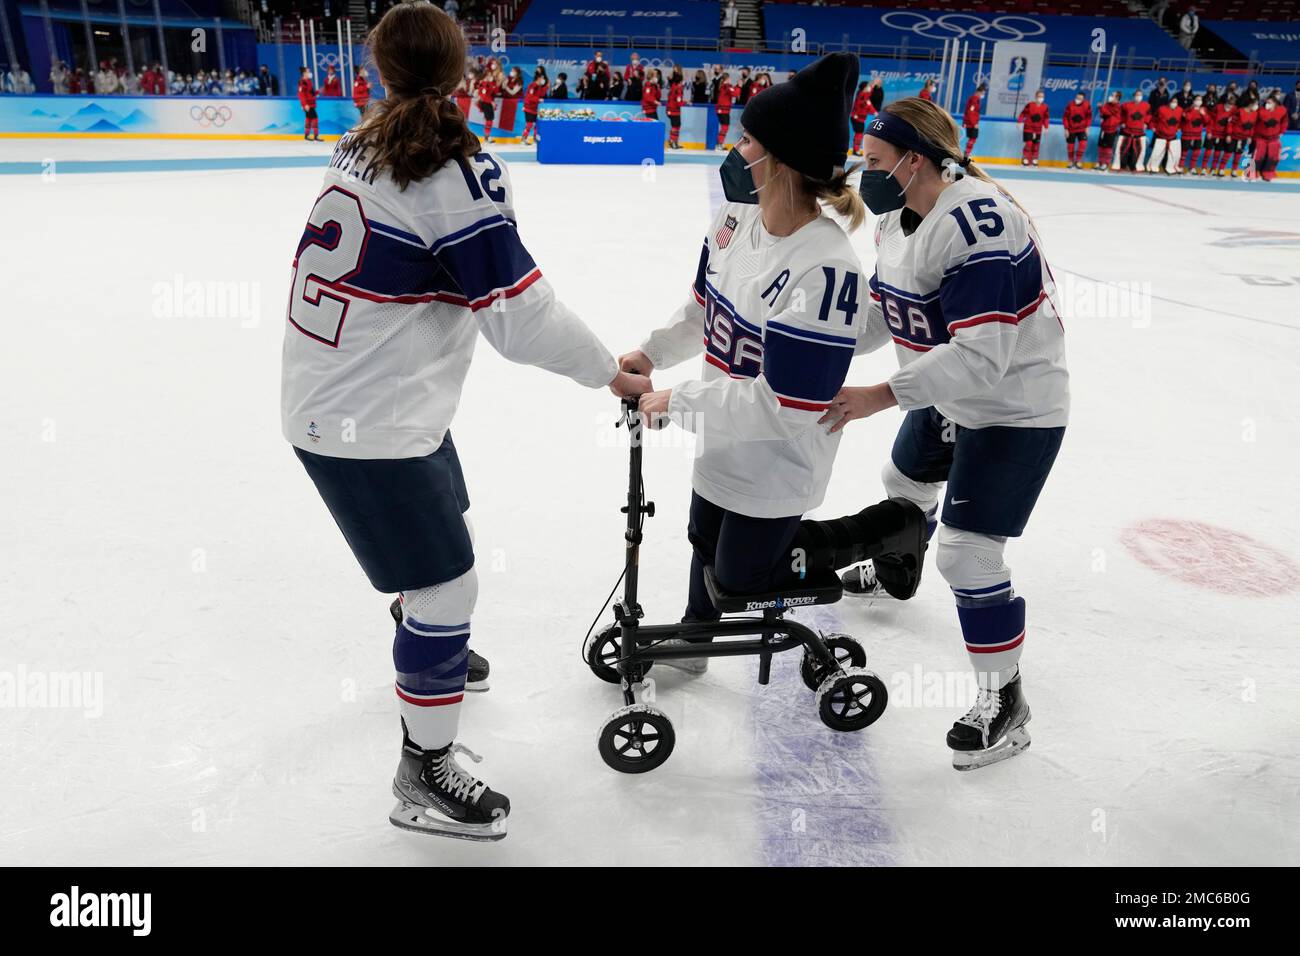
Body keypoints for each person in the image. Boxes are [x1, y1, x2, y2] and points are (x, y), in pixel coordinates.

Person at [282, 2, 649, 842]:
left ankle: (428, 644)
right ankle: (423, 769)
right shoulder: (454, 167)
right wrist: (609, 373)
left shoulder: (364, 141)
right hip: (367, 416)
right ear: (467, 72)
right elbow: (519, 319)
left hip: (357, 393)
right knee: (451, 583)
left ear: (380, 72)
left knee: (448, 522)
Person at [823, 96, 1068, 771]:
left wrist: (878, 395)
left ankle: (1005, 702)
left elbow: (983, 355)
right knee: (903, 480)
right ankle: (900, 570)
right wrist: (813, 341)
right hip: (948, 385)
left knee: (965, 555)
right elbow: (889, 315)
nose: (862, 173)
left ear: (915, 159)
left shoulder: (978, 225)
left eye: (873, 160)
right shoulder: (902, 216)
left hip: (1012, 404)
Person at [618, 53, 868, 675]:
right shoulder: (735, 220)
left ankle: (881, 536)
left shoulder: (824, 268)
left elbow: (785, 409)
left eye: (749, 139)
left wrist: (679, 402)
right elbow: (705, 310)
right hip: (725, 438)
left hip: (777, 457)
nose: (736, 147)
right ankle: (698, 642)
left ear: (780, 159)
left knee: (742, 575)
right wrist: (652, 352)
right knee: (704, 541)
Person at [1253, 92, 1287, 182]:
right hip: (1261, 137)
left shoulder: (1282, 111)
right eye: (1267, 102)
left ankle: (1268, 174)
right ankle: (1253, 173)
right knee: (1257, 156)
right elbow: (1255, 123)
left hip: (1274, 138)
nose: (1267, 104)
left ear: (1275, 103)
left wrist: (1281, 132)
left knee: (1272, 157)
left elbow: (1284, 122)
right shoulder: (1260, 111)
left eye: (1270, 102)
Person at [1113, 90, 1150, 171]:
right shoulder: (1126, 105)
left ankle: (1134, 167)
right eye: (1137, 95)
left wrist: (1146, 123)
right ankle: (1121, 166)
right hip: (1127, 131)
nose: (1138, 97)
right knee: (1123, 150)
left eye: (1140, 95)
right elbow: (1120, 113)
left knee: (1137, 151)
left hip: (1139, 132)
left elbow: (1149, 114)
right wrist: (1122, 122)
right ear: (1134, 96)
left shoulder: (1146, 105)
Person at [1147, 95, 1182, 174]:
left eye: (1176, 102)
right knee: (1157, 153)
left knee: (1172, 154)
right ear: (1169, 102)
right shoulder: (1161, 109)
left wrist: (1179, 128)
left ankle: (1170, 168)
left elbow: (1181, 122)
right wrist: (1152, 126)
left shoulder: (1180, 110)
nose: (1174, 103)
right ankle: (1153, 167)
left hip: (1172, 136)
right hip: (1161, 135)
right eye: (1173, 102)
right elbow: (1154, 119)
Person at [1205, 92, 1237, 176]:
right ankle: (1205, 169)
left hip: (1223, 135)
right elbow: (1211, 120)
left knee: (1218, 153)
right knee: (1208, 152)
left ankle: (1215, 169)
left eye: (1231, 105)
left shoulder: (1234, 110)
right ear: (1225, 102)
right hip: (1213, 133)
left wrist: (1228, 134)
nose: (1229, 107)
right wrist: (1209, 131)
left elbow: (1233, 123)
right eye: (1228, 104)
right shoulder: (1218, 107)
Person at [1227, 98, 1257, 178]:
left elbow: (1252, 126)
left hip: (1244, 137)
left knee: (1238, 154)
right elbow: (1231, 123)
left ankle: (1234, 170)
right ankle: (1221, 169)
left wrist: (1250, 136)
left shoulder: (1254, 114)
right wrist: (1229, 134)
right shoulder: (1239, 111)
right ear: (1250, 104)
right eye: (1255, 104)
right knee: (1228, 153)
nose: (1256, 106)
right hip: (1234, 136)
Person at [1018, 89, 1049, 167]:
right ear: (1036, 97)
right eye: (1039, 96)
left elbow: (1046, 118)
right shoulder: (1030, 105)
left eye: (1042, 97)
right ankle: (1025, 158)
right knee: (1029, 143)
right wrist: (1019, 121)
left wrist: (1046, 127)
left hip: (1038, 129)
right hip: (1028, 128)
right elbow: (1023, 114)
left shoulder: (1045, 107)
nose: (1040, 98)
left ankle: (1034, 158)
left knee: (1036, 145)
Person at [1062, 91, 1091, 169]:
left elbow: (1089, 117)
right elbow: (1065, 117)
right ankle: (1071, 161)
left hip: (1082, 129)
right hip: (1071, 129)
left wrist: (1087, 127)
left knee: (1083, 144)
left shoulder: (1087, 105)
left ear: (1083, 99)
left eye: (1080, 98)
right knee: (1070, 146)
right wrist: (1066, 129)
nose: (1078, 99)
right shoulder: (1070, 104)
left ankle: (1078, 161)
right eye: (1077, 98)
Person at [1179, 94, 1207, 174]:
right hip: (1187, 134)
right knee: (1184, 151)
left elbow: (1207, 121)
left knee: (1196, 152)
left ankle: (1192, 167)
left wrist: (1203, 114)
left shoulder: (1203, 110)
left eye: (1200, 100)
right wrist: (1192, 109)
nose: (1199, 101)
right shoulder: (1188, 109)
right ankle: (1180, 166)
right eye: (1197, 100)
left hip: (1198, 134)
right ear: (1194, 101)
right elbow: (1187, 118)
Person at [521, 66, 547, 144]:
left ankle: (535, 139)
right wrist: (538, 99)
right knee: (529, 124)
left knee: (536, 124)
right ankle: (524, 138)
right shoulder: (532, 86)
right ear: (538, 78)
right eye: (542, 78)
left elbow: (542, 94)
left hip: (534, 109)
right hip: (529, 108)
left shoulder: (539, 87)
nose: (543, 80)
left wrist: (546, 87)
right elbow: (529, 97)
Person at [851, 80, 876, 155]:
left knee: (858, 134)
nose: (869, 88)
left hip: (859, 119)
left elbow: (869, 93)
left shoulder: (864, 95)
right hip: (857, 118)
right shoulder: (862, 97)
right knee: (859, 134)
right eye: (867, 86)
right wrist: (874, 112)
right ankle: (856, 150)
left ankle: (855, 150)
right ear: (864, 88)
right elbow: (866, 106)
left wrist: (873, 85)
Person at [474, 65, 498, 142]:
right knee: (489, 120)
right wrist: (491, 102)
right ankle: (486, 137)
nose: (491, 76)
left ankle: (487, 136)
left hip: (488, 103)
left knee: (489, 120)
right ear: (487, 75)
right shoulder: (484, 84)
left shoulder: (489, 83)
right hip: (486, 103)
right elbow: (483, 96)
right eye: (490, 74)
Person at [962, 83, 985, 157]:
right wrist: (974, 123)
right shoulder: (974, 99)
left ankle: (967, 152)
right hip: (971, 123)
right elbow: (970, 112)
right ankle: (967, 153)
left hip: (969, 122)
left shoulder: (973, 98)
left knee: (972, 138)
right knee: (973, 138)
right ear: (979, 92)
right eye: (983, 93)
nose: (983, 95)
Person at [298, 67, 321, 141]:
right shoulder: (302, 82)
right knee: (314, 118)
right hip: (308, 104)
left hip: (311, 103)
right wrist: (304, 105)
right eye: (308, 72)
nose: (309, 73)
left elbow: (311, 92)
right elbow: (301, 94)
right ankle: (315, 136)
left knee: (309, 119)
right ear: (304, 73)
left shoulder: (309, 81)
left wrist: (317, 92)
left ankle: (307, 135)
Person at [715, 70, 735, 149]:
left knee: (724, 127)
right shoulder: (727, 86)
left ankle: (719, 143)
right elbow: (735, 94)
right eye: (729, 78)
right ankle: (719, 144)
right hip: (723, 110)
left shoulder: (722, 86)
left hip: (721, 110)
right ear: (727, 79)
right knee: (724, 127)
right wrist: (739, 87)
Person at [665, 69, 684, 149]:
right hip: (674, 110)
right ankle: (672, 142)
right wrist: (686, 102)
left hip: (670, 109)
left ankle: (674, 142)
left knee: (676, 126)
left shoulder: (673, 86)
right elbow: (678, 101)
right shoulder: (678, 88)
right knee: (675, 126)